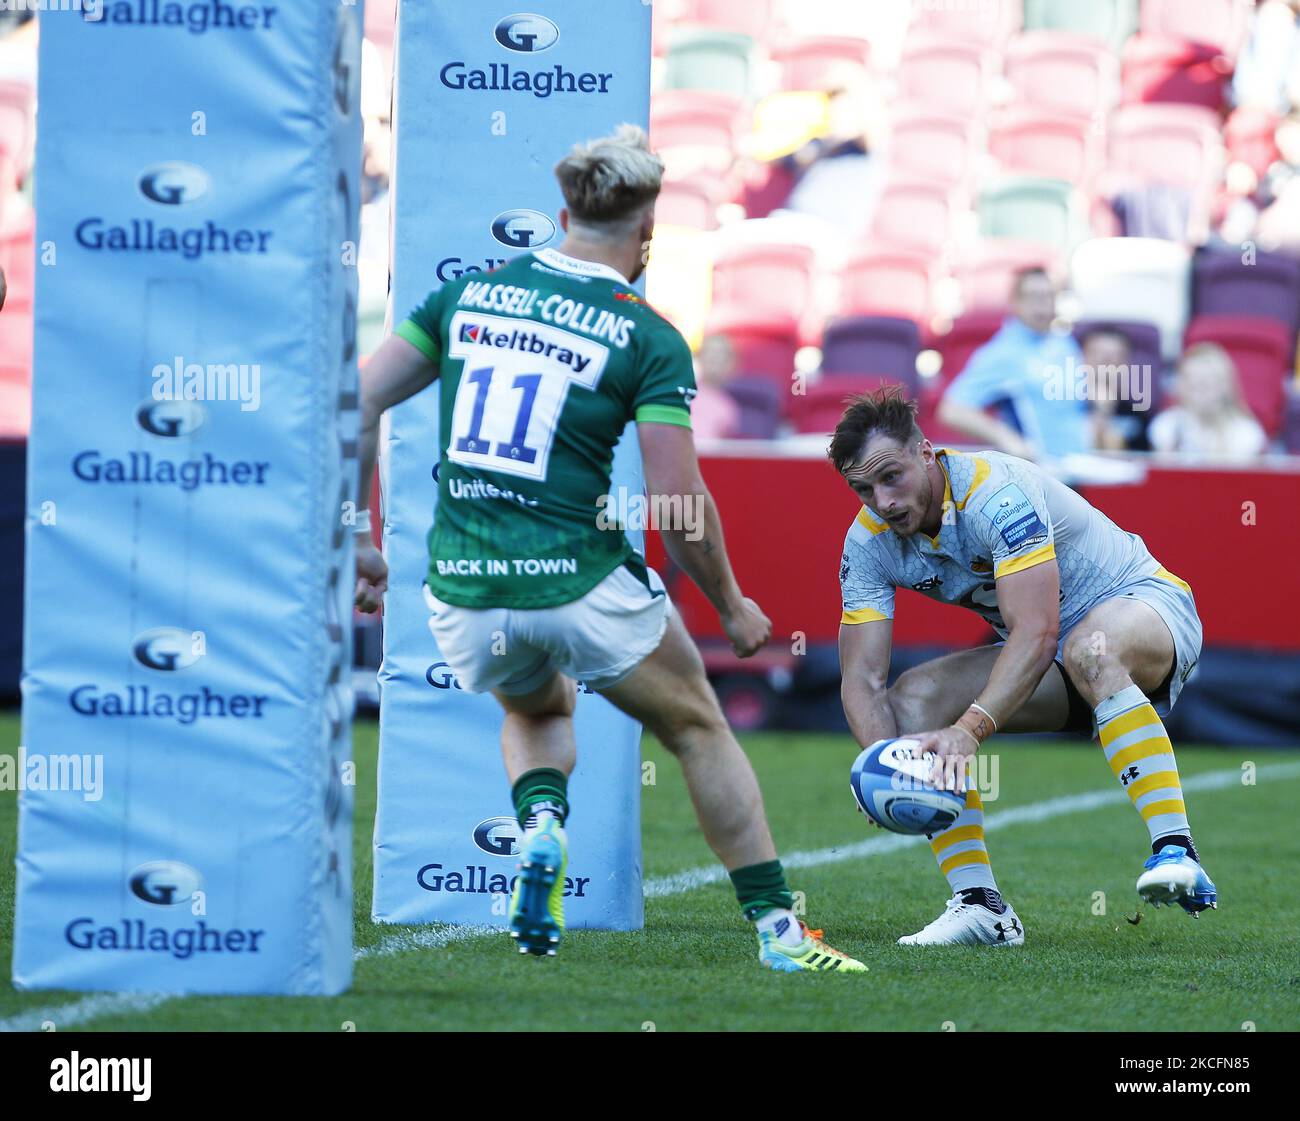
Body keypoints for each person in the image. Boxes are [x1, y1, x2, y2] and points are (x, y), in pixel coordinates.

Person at [353, 125, 863, 972]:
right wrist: (732, 605)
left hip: (467, 589)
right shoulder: (645, 335)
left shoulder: (466, 297)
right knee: (698, 726)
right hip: (579, 582)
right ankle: (779, 931)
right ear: (647, 235)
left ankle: (543, 826)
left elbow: (355, 403)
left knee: (538, 706)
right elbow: (674, 500)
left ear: (561, 216)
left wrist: (358, 540)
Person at [833, 388, 1215, 946]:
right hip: (1060, 654)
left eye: (890, 477)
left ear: (926, 453)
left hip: (1147, 608)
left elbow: (1037, 633)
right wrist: (881, 766)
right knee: (913, 703)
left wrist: (969, 732)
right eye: (863, 489)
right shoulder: (868, 543)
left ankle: (1177, 850)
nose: (882, 501)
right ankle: (981, 907)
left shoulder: (995, 495)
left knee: (1092, 649)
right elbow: (861, 679)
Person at [938, 267, 1090, 460]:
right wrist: (1008, 439)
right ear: (1015, 302)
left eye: (1049, 296)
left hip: (1079, 465)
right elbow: (952, 410)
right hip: (1040, 472)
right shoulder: (1002, 353)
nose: (1042, 305)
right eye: (1034, 297)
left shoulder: (1064, 344)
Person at [1149, 342, 1269, 459]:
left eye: (1208, 383)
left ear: (1226, 385)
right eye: (1194, 383)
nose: (1201, 392)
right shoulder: (1165, 427)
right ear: (1180, 385)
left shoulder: (1247, 433)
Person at [689, 333, 741, 440]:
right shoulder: (685, 393)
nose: (715, 359)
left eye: (722, 355)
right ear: (699, 357)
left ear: (732, 363)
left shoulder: (729, 408)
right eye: (710, 353)